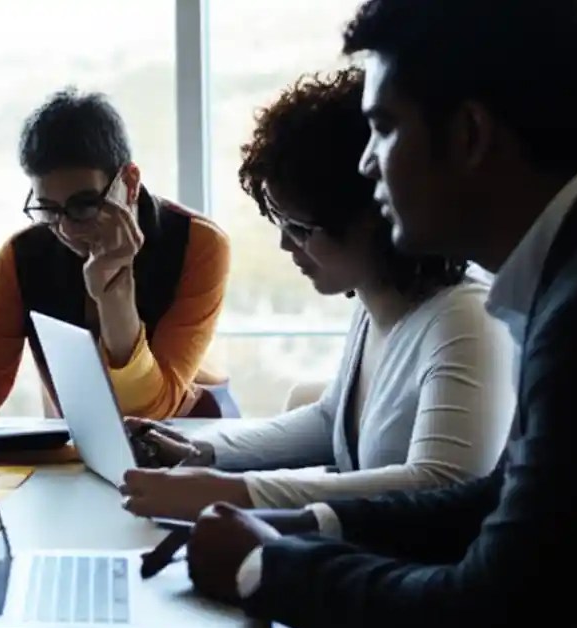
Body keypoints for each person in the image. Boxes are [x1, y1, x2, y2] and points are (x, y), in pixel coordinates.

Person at [166, 1, 577, 628]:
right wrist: (299, 528)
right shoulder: (575, 272)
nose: (367, 161)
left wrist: (264, 566)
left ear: (468, 135)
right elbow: (494, 498)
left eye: (383, 127)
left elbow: (486, 617)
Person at [120, 67, 515, 522]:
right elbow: (331, 421)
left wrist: (237, 492)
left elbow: (439, 483)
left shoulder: (465, 320)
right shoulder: (376, 304)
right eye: (279, 220)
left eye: (301, 228)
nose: (286, 244)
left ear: (373, 216)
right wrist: (201, 450)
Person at [0, 88, 232, 440]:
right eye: (48, 208)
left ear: (129, 182)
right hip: (89, 444)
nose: (66, 229)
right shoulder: (20, 258)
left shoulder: (198, 244)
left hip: (196, 436)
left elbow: (149, 411)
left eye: (84, 205)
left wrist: (114, 296)